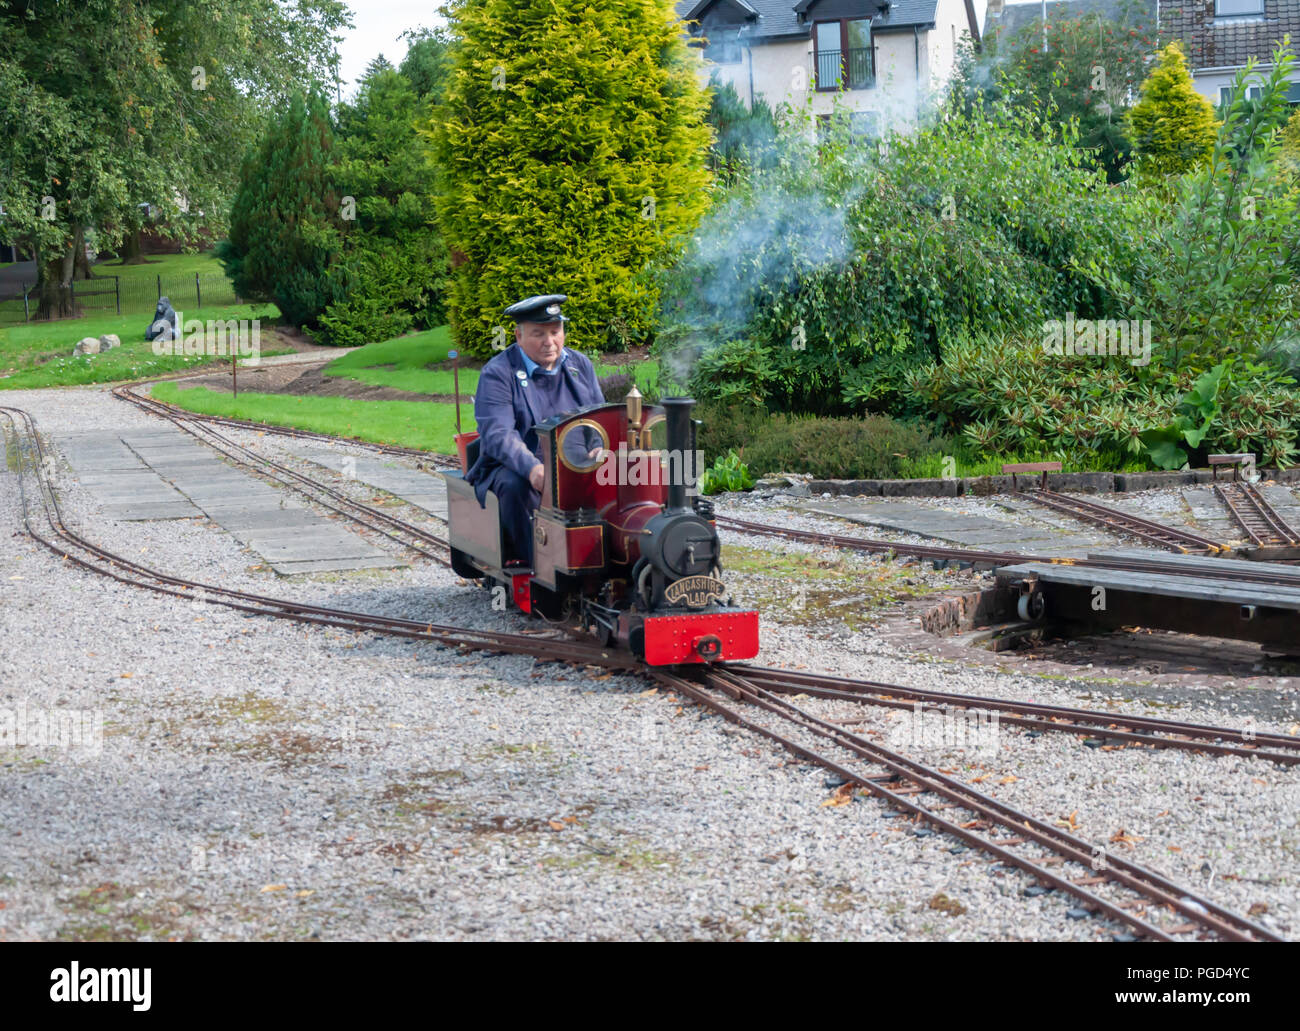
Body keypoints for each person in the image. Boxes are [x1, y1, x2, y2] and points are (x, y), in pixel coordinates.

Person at [465, 294, 605, 564]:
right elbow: (498, 435)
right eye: (538, 334)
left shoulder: (580, 365)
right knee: (516, 485)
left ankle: (606, 558)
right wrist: (533, 469)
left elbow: (599, 419)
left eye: (555, 331)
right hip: (519, 465)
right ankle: (540, 566)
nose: (549, 342)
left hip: (578, 463)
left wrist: (599, 446)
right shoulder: (498, 373)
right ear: (518, 336)